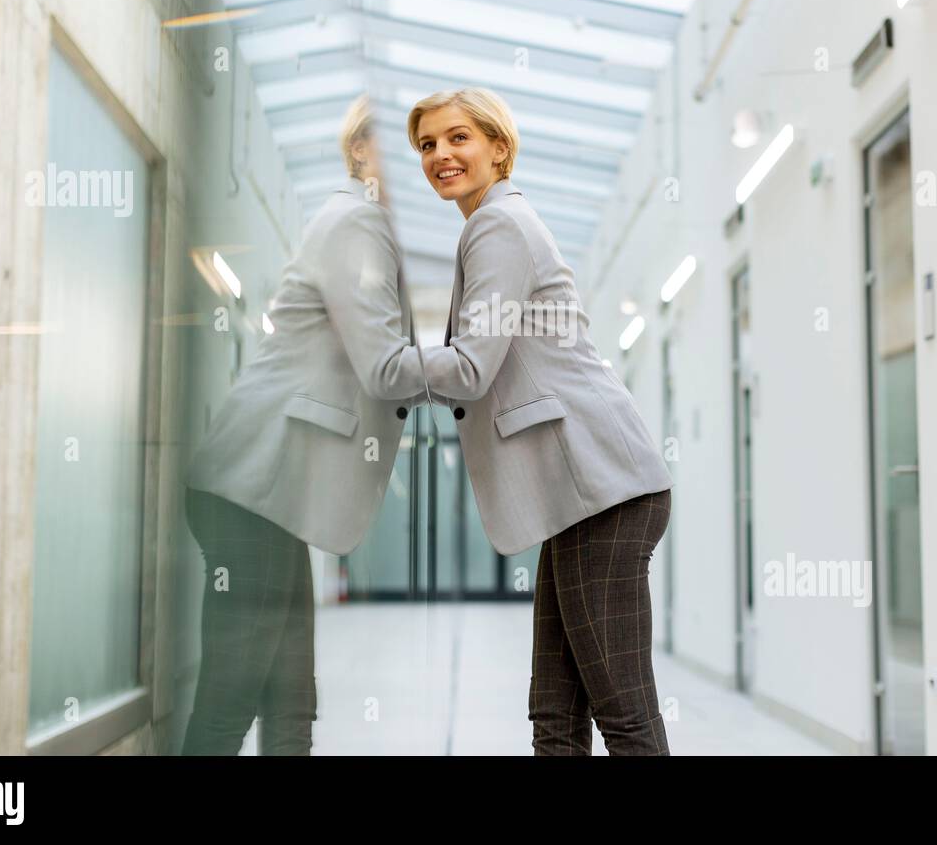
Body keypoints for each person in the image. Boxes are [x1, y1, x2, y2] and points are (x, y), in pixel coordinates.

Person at [407, 87, 675, 755]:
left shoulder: (498, 225)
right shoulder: (492, 225)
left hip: (601, 490)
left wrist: (384, 362)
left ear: (499, 148)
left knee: (624, 711)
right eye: (427, 144)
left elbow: (471, 367)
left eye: (458, 137)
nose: (440, 154)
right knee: (554, 713)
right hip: (578, 495)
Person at [182, 95, 425, 754]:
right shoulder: (354, 223)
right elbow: (383, 366)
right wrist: (476, 368)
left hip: (272, 499)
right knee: (231, 697)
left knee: (292, 702)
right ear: (359, 152)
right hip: (251, 490)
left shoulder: (371, 228)